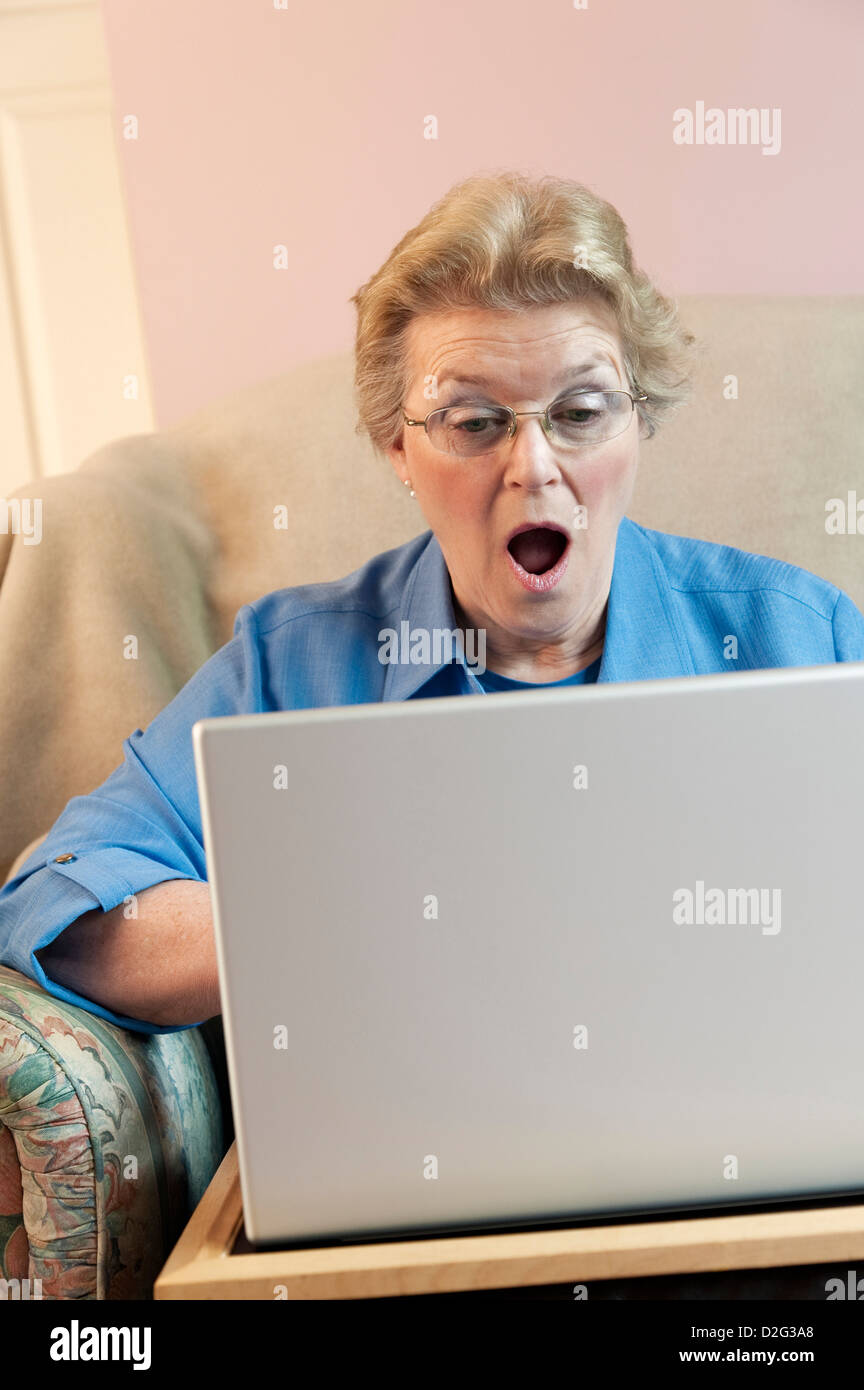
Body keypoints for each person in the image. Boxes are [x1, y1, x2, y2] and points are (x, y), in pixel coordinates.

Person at [1, 170, 862, 1032]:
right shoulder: (286, 666)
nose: (533, 465)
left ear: (640, 422)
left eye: (582, 410)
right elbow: (57, 905)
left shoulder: (801, 635)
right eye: (475, 422)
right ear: (397, 449)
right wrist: (361, 922)